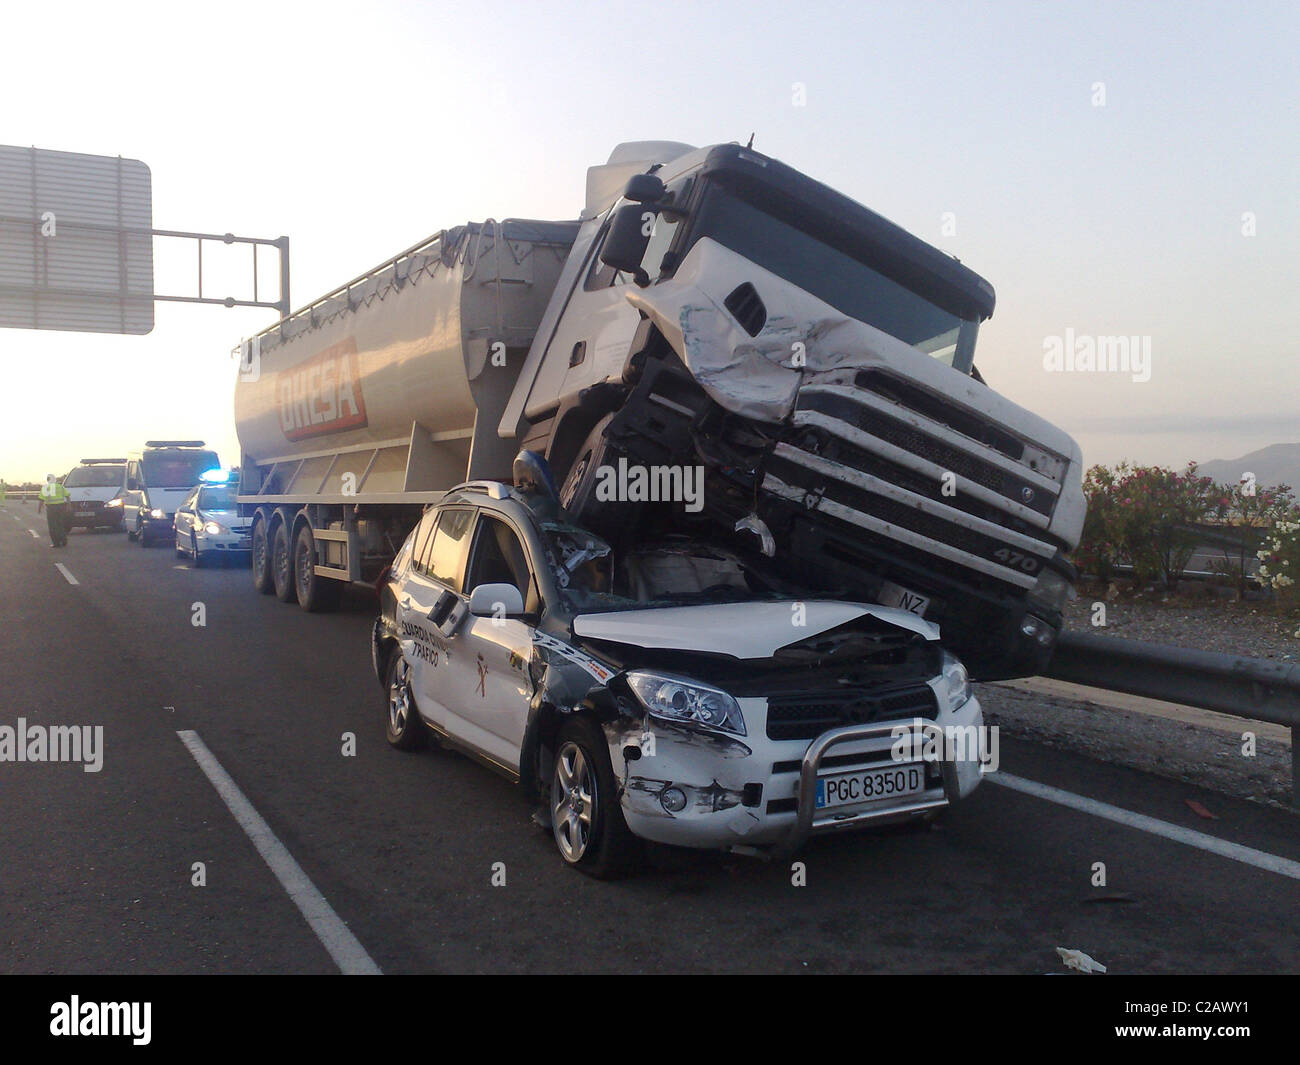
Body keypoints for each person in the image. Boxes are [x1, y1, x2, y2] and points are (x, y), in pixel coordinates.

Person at [38, 473, 71, 547]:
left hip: (51, 508)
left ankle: (56, 543)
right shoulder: (60, 486)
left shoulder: (46, 487)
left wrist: (39, 509)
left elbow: (41, 500)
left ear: (48, 480)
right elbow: (67, 496)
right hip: (61, 507)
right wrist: (69, 506)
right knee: (60, 524)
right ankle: (64, 540)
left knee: (53, 526)